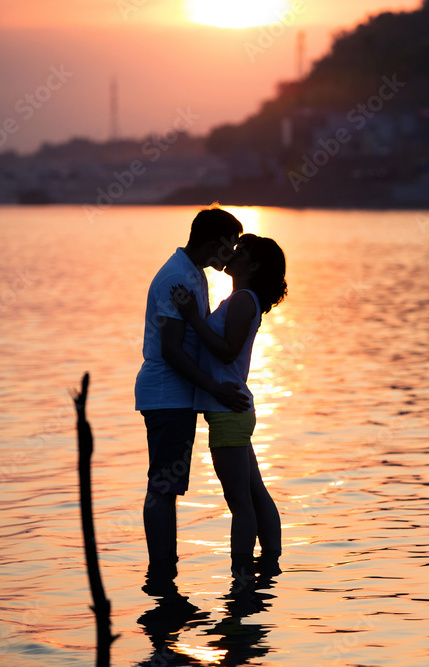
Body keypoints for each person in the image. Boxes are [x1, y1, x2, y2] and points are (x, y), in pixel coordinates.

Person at [135, 207, 249, 584]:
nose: (231, 254)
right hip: (167, 394)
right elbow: (170, 349)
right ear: (213, 243)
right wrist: (215, 388)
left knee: (168, 487)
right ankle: (161, 572)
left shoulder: (195, 274)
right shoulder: (177, 277)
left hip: (179, 396)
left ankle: (165, 568)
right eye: (229, 245)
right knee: (163, 485)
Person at [170, 233, 286, 581]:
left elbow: (226, 351)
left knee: (239, 501)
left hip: (228, 412)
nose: (232, 253)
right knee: (254, 492)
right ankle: (270, 565)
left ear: (254, 265)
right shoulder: (239, 299)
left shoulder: (242, 301)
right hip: (233, 410)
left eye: (241, 251)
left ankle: (241, 577)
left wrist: (192, 316)